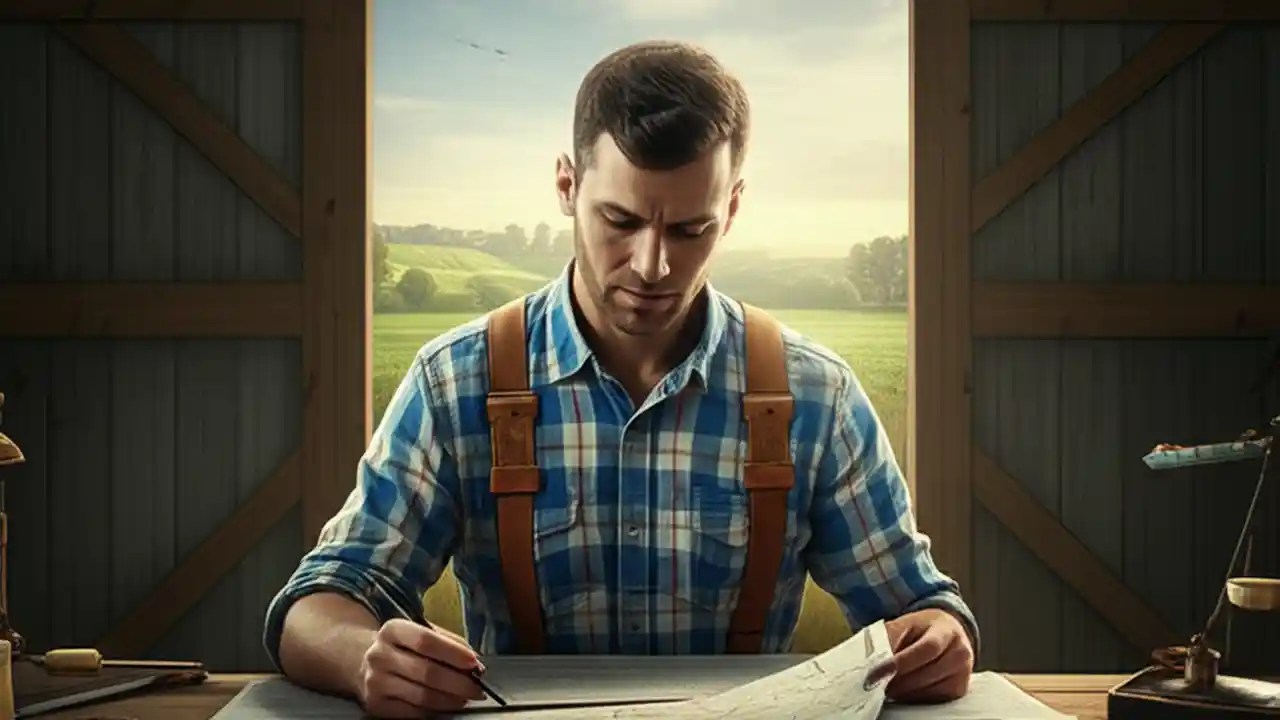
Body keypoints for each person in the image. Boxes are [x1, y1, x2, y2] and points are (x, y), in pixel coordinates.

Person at [264, 40, 978, 719]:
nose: (651, 266)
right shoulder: (456, 383)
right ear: (567, 186)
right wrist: (363, 657)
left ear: (731, 208)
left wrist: (939, 636)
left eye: (690, 229)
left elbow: (919, 608)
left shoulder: (813, 397)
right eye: (620, 219)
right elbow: (320, 602)